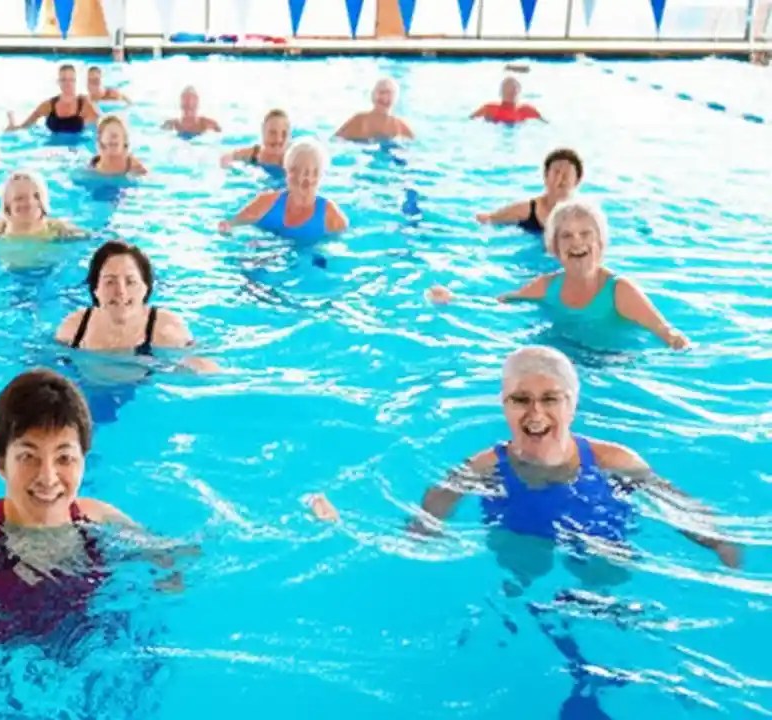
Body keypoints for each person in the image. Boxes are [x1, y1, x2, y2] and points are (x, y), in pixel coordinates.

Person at [308, 346, 741, 576]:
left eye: (550, 399)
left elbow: (682, 507)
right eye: (521, 400)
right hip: (519, 550)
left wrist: (722, 547)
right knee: (521, 576)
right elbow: (422, 527)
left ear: (572, 405)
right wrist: (342, 526)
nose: (535, 414)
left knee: (606, 578)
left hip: (600, 552)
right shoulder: (481, 468)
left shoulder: (614, 461)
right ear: (503, 404)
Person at [0, 368, 136, 643]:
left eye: (64, 458)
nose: (48, 478)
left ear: (83, 462)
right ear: (1, 463)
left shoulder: (100, 519)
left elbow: (169, 566)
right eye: (29, 457)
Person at [429, 199, 689, 349]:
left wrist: (675, 340)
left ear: (601, 243)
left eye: (586, 234)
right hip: (557, 352)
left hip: (608, 364)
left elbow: (664, 331)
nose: (577, 243)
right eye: (566, 236)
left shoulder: (620, 291)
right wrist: (454, 299)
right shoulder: (547, 286)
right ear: (554, 248)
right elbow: (502, 303)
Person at [56, 241, 218, 372]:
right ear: (95, 289)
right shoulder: (74, 329)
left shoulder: (165, 329)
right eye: (110, 282)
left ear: (145, 288)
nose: (120, 291)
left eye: (130, 282)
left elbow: (207, 368)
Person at [219, 139, 349, 241]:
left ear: (321, 176)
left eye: (313, 172)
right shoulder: (265, 204)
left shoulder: (332, 217)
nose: (305, 178)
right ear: (287, 171)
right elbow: (230, 225)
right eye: (296, 170)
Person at [476, 148, 582, 235]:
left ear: (577, 180)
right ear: (546, 176)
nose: (560, 179)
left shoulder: (583, 216)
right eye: (556, 172)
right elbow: (487, 219)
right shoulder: (526, 210)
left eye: (566, 174)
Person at [0, 170, 83, 241]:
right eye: (19, 198)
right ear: (7, 205)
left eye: (35, 196)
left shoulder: (58, 229)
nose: (29, 203)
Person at [5, 63, 100, 134]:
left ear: (75, 81)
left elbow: (102, 126)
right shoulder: (48, 105)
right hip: (52, 150)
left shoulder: (84, 103)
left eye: (71, 80)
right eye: (63, 80)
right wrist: (13, 127)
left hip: (76, 149)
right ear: (58, 82)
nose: (68, 84)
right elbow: (25, 126)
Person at [334, 78, 415, 142]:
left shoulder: (400, 126)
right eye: (381, 92)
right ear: (372, 96)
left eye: (389, 93)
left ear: (395, 99)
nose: (384, 98)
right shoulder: (359, 120)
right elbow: (336, 140)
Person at [220, 109, 289, 167]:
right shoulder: (255, 153)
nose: (278, 139)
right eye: (272, 133)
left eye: (284, 134)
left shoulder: (292, 159)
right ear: (263, 131)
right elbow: (226, 157)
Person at [471, 76, 543, 124]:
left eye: (512, 90)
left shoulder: (526, 110)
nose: (510, 92)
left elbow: (469, 120)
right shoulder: (489, 109)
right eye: (508, 90)